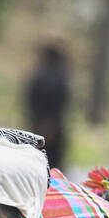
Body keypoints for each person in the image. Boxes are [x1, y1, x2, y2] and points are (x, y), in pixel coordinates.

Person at [25, 43, 70, 173]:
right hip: (56, 125)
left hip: (37, 125)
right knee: (55, 165)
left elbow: (30, 101)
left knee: (38, 161)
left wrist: (39, 121)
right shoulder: (61, 76)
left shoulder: (36, 76)